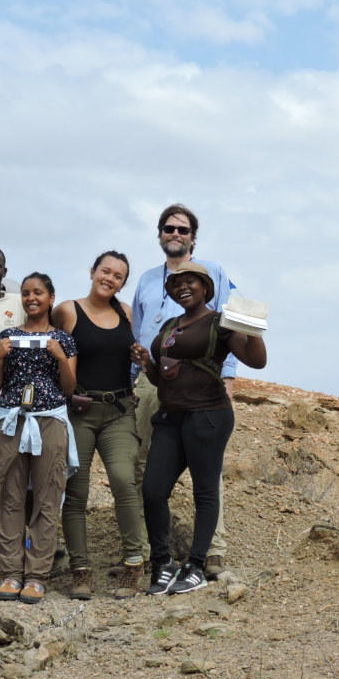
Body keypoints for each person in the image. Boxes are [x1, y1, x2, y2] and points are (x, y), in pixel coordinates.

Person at [130, 262, 266, 595]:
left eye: (191, 281)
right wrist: (146, 362)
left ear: (206, 287)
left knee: (204, 491)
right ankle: (163, 563)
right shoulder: (171, 325)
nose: (183, 287)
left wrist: (252, 329)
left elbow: (257, 361)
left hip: (208, 415)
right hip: (170, 416)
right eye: (176, 283)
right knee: (153, 490)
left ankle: (195, 566)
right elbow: (160, 379)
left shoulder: (220, 322)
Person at [130, 203, 237, 580]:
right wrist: (135, 376)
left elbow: (230, 324)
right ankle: (146, 552)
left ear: (193, 237)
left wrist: (228, 376)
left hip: (202, 382)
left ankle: (212, 552)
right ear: (159, 234)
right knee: (145, 467)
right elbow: (138, 330)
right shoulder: (147, 279)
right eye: (168, 228)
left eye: (182, 229)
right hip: (152, 380)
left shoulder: (212, 272)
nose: (175, 234)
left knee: (207, 472)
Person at [52, 251, 144, 599]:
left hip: (119, 410)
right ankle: (80, 570)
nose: (110, 278)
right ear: (92, 271)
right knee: (76, 491)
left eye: (118, 276)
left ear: (122, 283)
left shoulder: (127, 314)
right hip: (79, 411)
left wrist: (140, 357)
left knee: (123, 480)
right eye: (106, 271)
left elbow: (137, 355)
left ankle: (134, 565)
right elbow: (48, 348)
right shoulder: (67, 310)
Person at [0, 273, 78, 604]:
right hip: (12, 420)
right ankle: (11, 572)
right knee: (8, 495)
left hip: (50, 420)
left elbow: (69, 388)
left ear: (51, 298)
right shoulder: (7, 337)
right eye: (25, 293)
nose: (31, 298)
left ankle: (37, 576)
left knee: (48, 496)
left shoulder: (63, 340)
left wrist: (60, 357)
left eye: (38, 292)